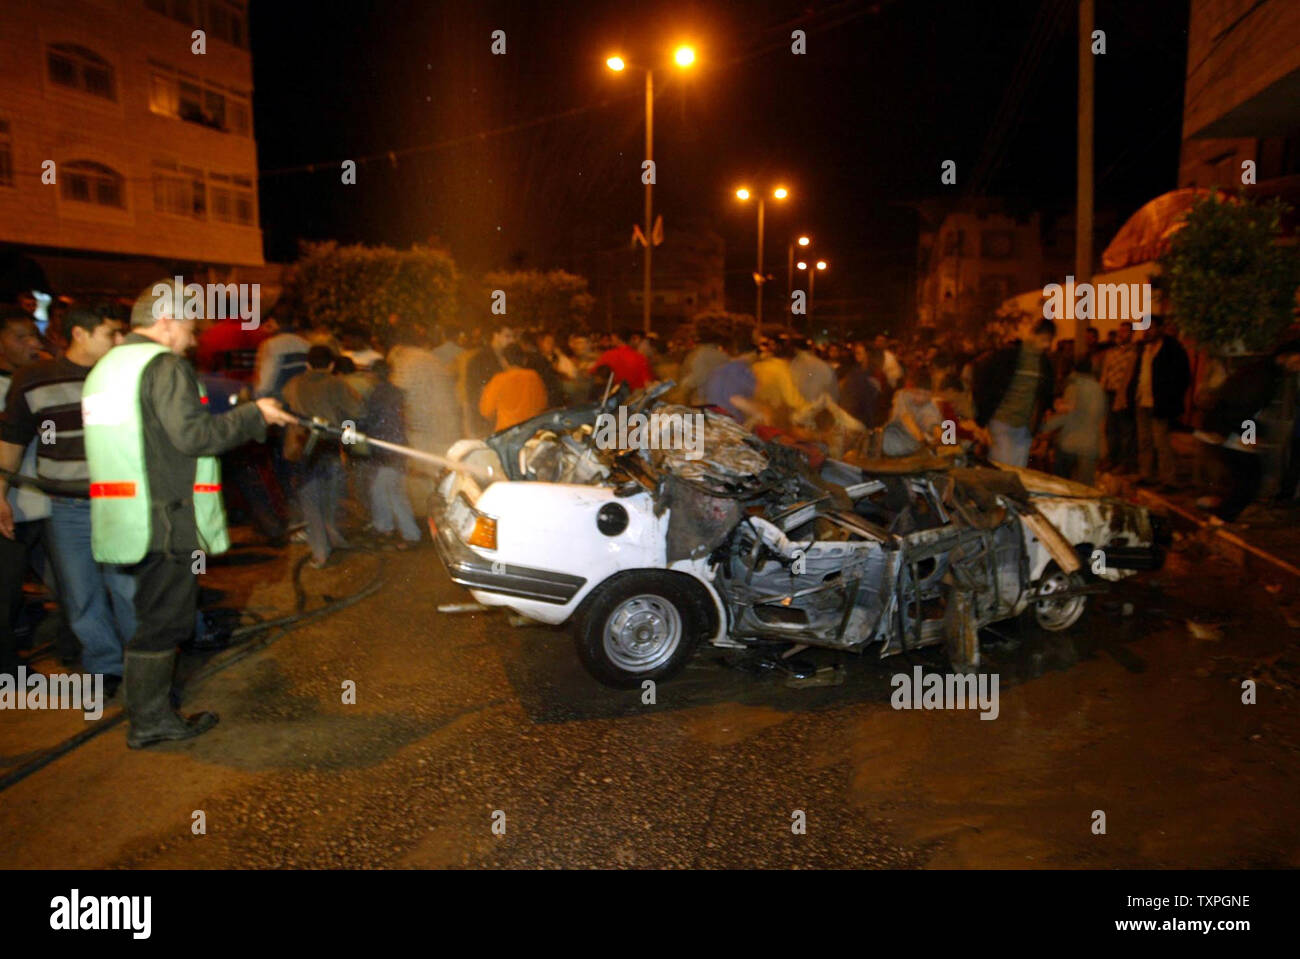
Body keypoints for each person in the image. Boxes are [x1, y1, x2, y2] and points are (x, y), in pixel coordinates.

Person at [81, 284, 297, 748]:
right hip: (163, 520)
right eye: (189, 329)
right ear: (166, 322)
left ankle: (145, 711)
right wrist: (254, 415)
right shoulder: (163, 365)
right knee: (166, 621)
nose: (193, 340)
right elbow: (193, 436)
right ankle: (151, 721)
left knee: (150, 614)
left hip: (126, 517)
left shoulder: (108, 367)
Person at [1, 307, 134, 694]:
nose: (119, 341)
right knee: (80, 593)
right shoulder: (33, 380)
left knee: (128, 590)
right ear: (81, 333)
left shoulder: (121, 377)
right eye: (111, 333)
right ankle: (106, 667)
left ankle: (143, 669)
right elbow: (12, 442)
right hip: (65, 508)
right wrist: (1, 497)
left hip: (119, 502)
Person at [1197, 341, 1300, 523]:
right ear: (1286, 355)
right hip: (1234, 429)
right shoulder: (1263, 375)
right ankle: (1220, 518)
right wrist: (1250, 437)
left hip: (1229, 427)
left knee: (1243, 477)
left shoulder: (1265, 372)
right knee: (1249, 480)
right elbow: (1245, 407)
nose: (1297, 366)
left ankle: (1218, 510)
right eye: (1297, 360)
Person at [282, 346, 363, 569]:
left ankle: (320, 552)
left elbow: (286, 404)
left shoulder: (294, 384)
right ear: (330, 365)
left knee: (310, 502)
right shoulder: (337, 383)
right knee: (331, 498)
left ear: (307, 364)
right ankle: (334, 537)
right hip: (329, 447)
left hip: (303, 449)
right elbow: (356, 410)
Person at [0, 307, 48, 681]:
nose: (33, 343)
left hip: (45, 502)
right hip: (9, 508)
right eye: (21, 336)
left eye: (35, 335)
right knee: (6, 592)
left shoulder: (40, 380)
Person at [973, 318, 1057, 467]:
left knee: (1018, 472)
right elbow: (983, 379)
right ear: (1033, 334)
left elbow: (1046, 394)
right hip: (1001, 421)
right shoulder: (1008, 356)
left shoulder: (1046, 365)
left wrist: (1048, 410)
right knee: (1002, 469)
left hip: (1025, 426)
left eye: (1049, 341)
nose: (1047, 345)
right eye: (1044, 339)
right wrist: (982, 418)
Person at [359, 360, 421, 548]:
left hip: (387, 450)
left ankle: (410, 535)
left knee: (391, 492)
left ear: (374, 375)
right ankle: (385, 527)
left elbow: (372, 423)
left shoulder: (376, 395)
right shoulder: (397, 393)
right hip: (397, 448)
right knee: (383, 490)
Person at [1130, 315, 1190, 490]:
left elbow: (1183, 377)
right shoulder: (1143, 349)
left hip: (1161, 403)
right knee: (1144, 441)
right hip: (1142, 399)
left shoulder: (1172, 349)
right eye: (1145, 328)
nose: (1147, 332)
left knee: (1161, 443)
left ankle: (1168, 479)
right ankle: (1146, 474)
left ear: (1160, 329)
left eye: (1151, 328)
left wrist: (1171, 397)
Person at [1039, 356, 1107, 485]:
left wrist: (1044, 427)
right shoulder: (1099, 390)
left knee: (1062, 483)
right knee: (1085, 486)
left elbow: (1065, 415)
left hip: (1071, 444)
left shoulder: (1074, 388)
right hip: (1091, 445)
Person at [1098, 321, 1139, 473]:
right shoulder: (1111, 353)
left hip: (1123, 395)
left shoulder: (1134, 354)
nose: (1121, 334)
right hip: (1109, 393)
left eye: (1125, 331)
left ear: (1132, 334)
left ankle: (1124, 462)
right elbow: (1105, 374)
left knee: (1125, 431)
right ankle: (1112, 460)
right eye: (1120, 331)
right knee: (1110, 429)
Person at [479, 346, 549, 431]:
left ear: (504, 361)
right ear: (524, 359)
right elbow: (543, 404)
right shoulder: (533, 376)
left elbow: (486, 411)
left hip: (506, 432)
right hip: (531, 431)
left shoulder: (498, 380)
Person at [790, 338, 839, 404]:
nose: (833, 353)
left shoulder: (845, 367)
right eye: (831, 350)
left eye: (836, 351)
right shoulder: (823, 364)